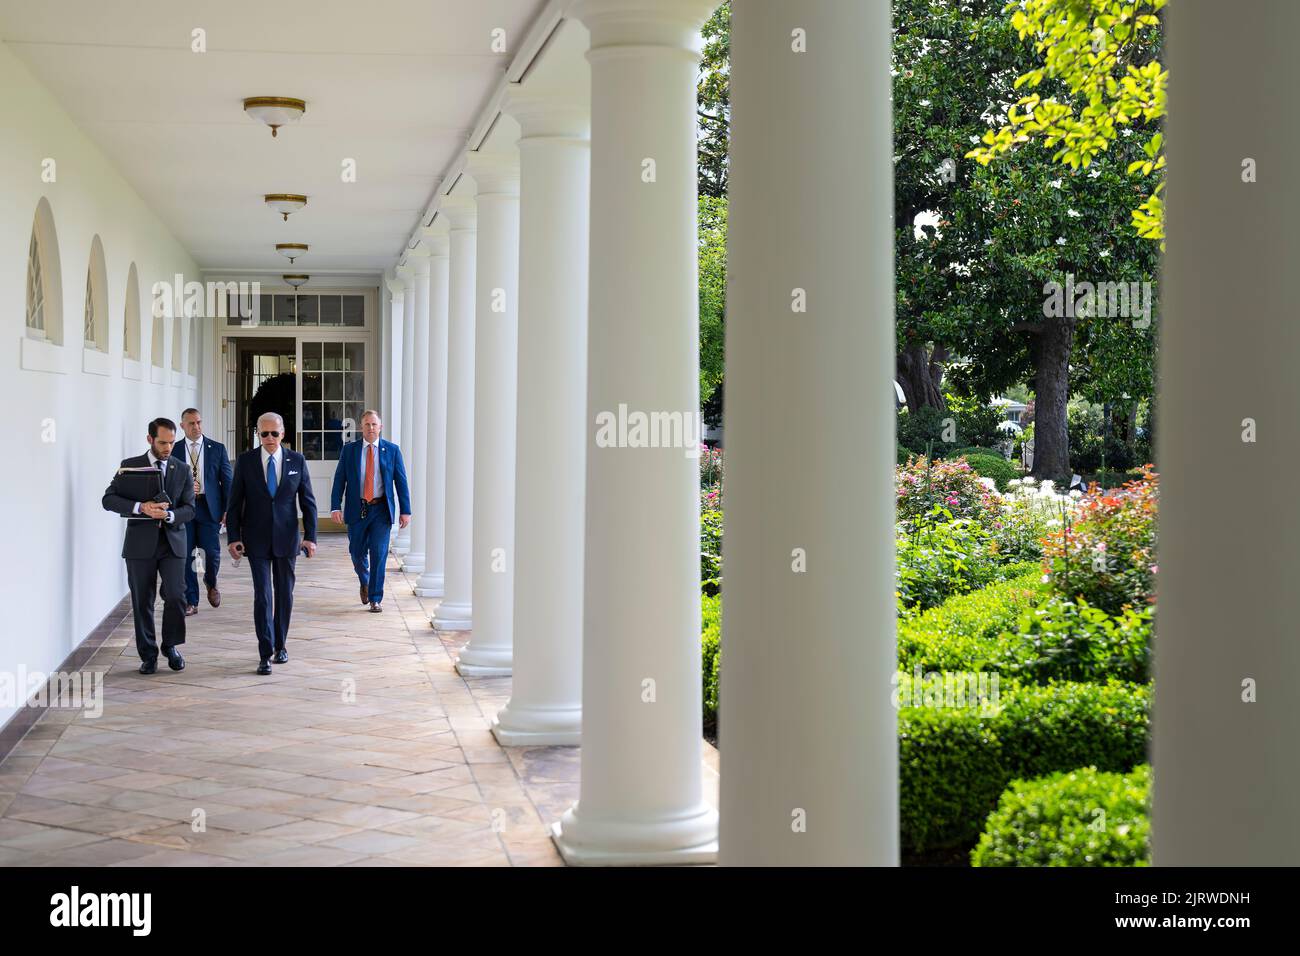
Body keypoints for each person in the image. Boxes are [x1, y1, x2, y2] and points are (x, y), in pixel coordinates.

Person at [101, 418, 196, 674]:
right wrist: (141, 508)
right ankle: (148, 655)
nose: (167, 447)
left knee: (176, 596)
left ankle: (171, 646)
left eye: (172, 442)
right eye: (163, 442)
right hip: (140, 545)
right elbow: (108, 499)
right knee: (142, 600)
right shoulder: (130, 467)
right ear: (150, 439)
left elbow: (190, 509)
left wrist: (168, 515)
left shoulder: (182, 469)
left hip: (173, 544)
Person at [226, 412, 318, 674]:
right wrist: (234, 537)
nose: (268, 438)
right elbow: (234, 504)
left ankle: (281, 645)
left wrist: (310, 537)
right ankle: (265, 653)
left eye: (273, 433)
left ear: (283, 434)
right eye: (263, 433)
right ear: (258, 434)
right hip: (255, 539)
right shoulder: (246, 462)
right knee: (263, 596)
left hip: (287, 539)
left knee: (285, 595)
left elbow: (308, 502)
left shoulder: (297, 461)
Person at [330, 410, 412, 612]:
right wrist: (334, 506)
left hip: (381, 510)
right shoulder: (349, 451)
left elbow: (401, 482)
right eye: (367, 424)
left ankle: (376, 598)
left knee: (379, 553)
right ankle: (364, 580)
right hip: (357, 508)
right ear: (361, 427)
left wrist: (405, 510)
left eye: (374, 424)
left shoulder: (392, 451)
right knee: (356, 552)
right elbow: (340, 479)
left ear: (380, 427)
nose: (371, 428)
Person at [172, 407, 233, 616]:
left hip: (209, 508)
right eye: (191, 423)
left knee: (212, 553)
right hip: (184, 509)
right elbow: (167, 483)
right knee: (186, 556)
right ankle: (191, 600)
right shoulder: (175, 450)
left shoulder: (217, 448)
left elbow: (228, 482)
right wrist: (184, 488)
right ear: (182, 426)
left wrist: (228, 510)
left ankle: (211, 582)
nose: (196, 426)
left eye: (199, 422)